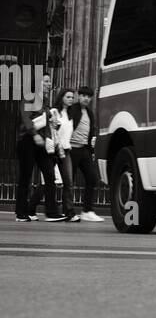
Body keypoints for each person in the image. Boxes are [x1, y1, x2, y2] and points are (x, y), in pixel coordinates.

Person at [16, 72, 61, 221]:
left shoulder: (46, 101)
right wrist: (34, 134)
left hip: (41, 142)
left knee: (49, 174)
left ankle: (51, 212)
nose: (49, 84)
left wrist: (53, 125)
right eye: (46, 81)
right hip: (28, 140)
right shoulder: (29, 97)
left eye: (49, 82)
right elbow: (26, 118)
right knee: (25, 177)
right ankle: (21, 213)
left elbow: (46, 122)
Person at [68, 84, 103, 221]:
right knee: (69, 181)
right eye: (83, 96)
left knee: (92, 178)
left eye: (88, 96)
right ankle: (68, 211)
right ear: (78, 96)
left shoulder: (89, 112)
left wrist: (91, 150)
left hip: (84, 150)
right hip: (71, 149)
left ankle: (87, 210)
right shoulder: (72, 109)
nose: (86, 99)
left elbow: (90, 132)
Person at [49, 88, 80, 222]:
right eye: (68, 97)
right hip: (54, 151)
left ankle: (69, 212)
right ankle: (31, 208)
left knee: (68, 182)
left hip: (66, 151)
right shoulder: (54, 112)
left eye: (72, 97)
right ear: (61, 97)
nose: (70, 99)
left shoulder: (71, 114)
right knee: (48, 181)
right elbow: (51, 131)